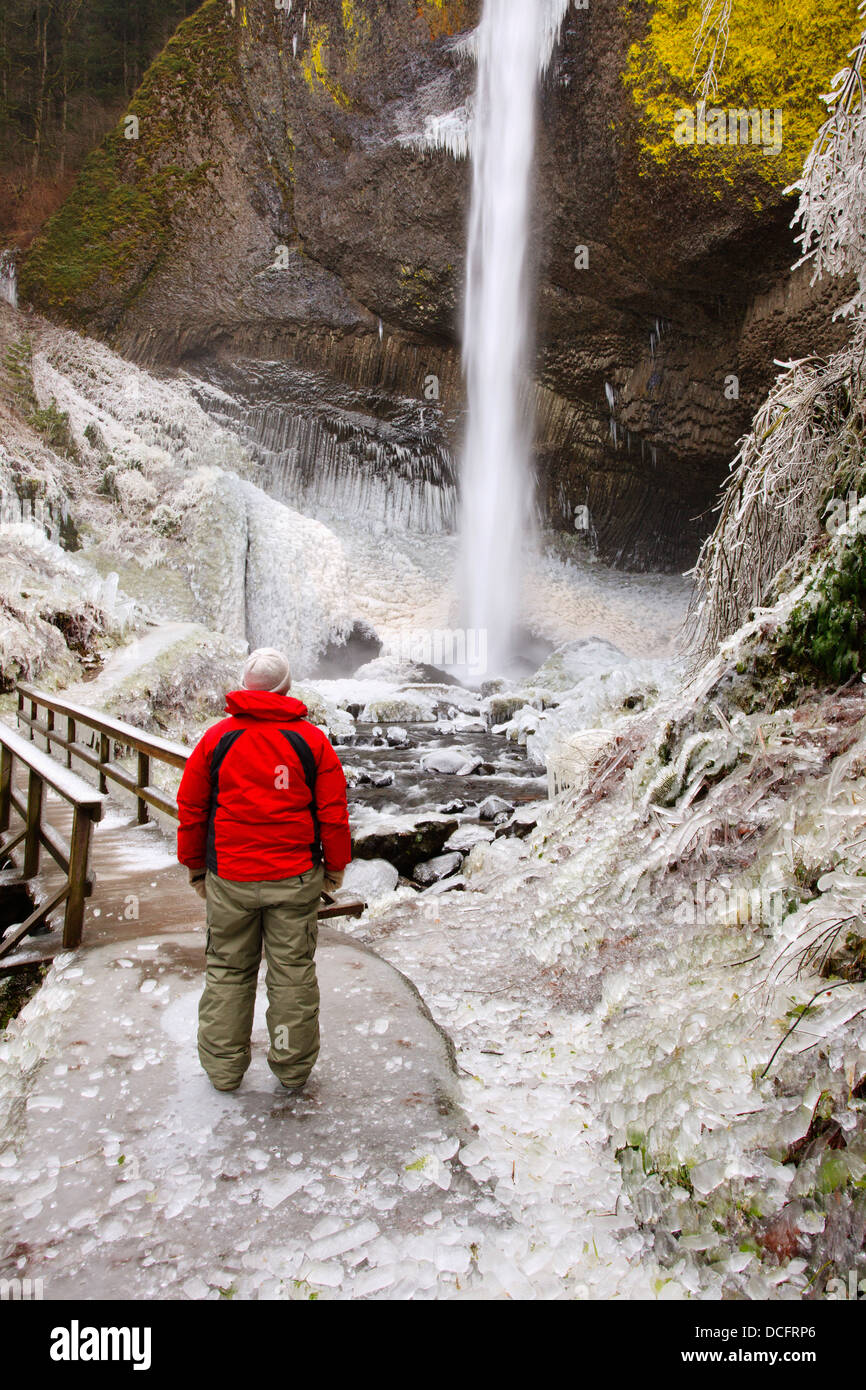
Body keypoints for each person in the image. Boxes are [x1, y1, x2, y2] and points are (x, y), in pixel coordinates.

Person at [176, 647, 351, 1094]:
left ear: (244, 687)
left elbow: (192, 808)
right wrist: (335, 867)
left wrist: (196, 866)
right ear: (286, 687)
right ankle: (291, 1067)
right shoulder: (311, 741)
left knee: (228, 971)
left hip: (230, 876)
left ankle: (223, 1070)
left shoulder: (217, 738)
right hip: (294, 877)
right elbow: (332, 813)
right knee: (291, 973)